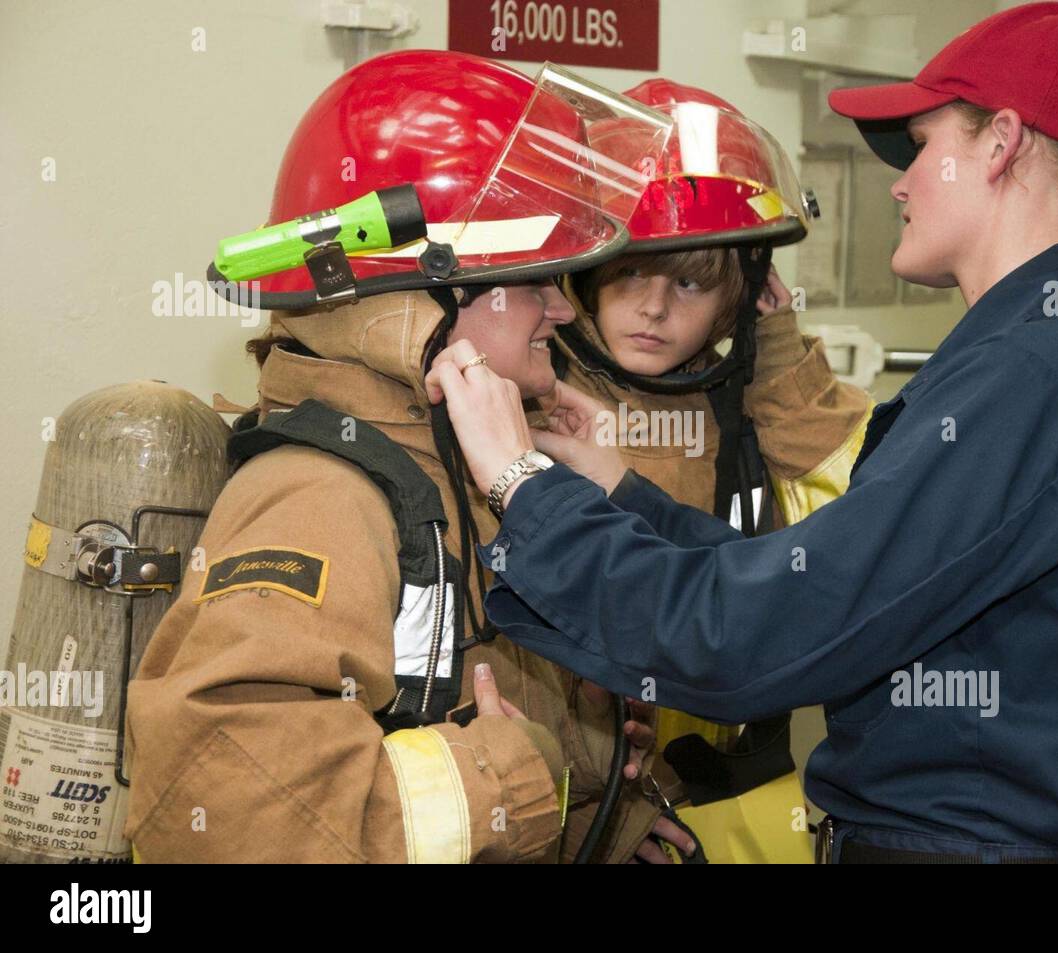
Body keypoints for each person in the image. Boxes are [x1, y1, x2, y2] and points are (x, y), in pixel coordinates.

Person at [427, 2, 1058, 863]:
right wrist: (621, 492)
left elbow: (762, 635)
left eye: (921, 145)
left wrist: (521, 488)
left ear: (1003, 143)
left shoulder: (1028, 379)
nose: (901, 184)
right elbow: (821, 585)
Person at [123, 50, 686, 864]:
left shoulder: (466, 469)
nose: (563, 308)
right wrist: (510, 784)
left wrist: (609, 813)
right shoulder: (322, 492)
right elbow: (217, 804)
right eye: (534, 278)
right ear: (427, 297)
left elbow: (484, 710)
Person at [548, 77, 873, 862]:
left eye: (690, 279)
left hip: (739, 791)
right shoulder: (536, 405)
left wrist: (780, 359)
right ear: (583, 268)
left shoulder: (761, 407)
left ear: (741, 297)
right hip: (569, 801)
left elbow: (859, 516)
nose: (653, 306)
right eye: (628, 271)